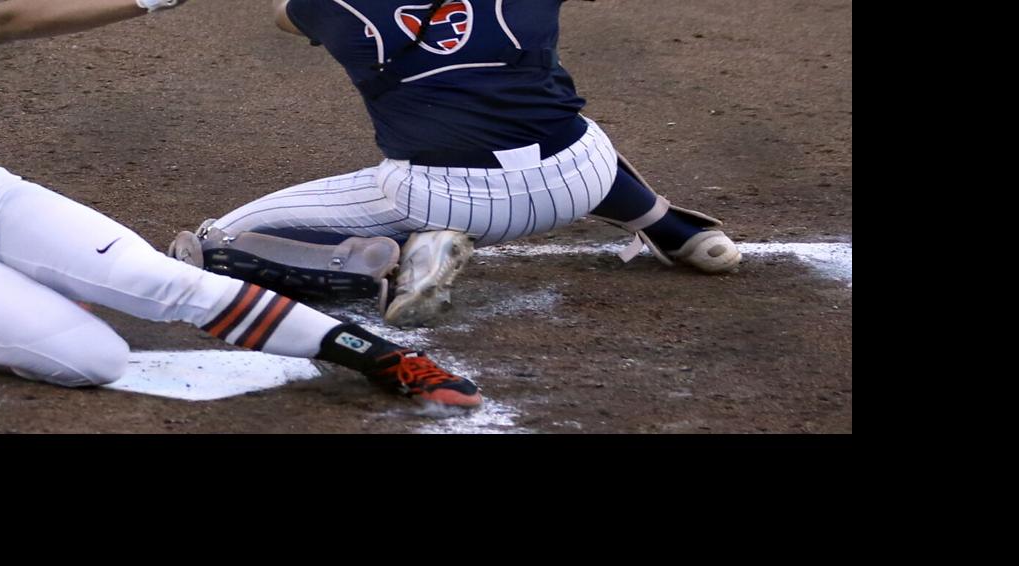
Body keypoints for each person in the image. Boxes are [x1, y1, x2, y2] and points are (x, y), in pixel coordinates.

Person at [0, 0, 482, 409]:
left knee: (164, 282)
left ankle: (380, 357)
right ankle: (3, 297)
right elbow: (1, 20)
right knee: (89, 358)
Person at [168, 0, 743, 328]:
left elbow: (283, 15)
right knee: (555, 118)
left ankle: (389, 267)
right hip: (583, 175)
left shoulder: (334, 6)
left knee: (216, 239)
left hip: (445, 197)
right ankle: (679, 233)